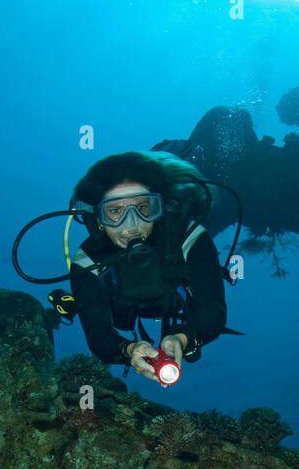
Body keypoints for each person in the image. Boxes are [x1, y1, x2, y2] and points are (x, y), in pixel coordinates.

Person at [69, 150, 227, 381]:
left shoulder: (191, 238)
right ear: (98, 221)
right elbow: (97, 334)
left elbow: (213, 311)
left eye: (143, 208)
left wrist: (183, 339)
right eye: (115, 211)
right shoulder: (87, 261)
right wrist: (129, 350)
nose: (131, 224)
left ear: (158, 209)